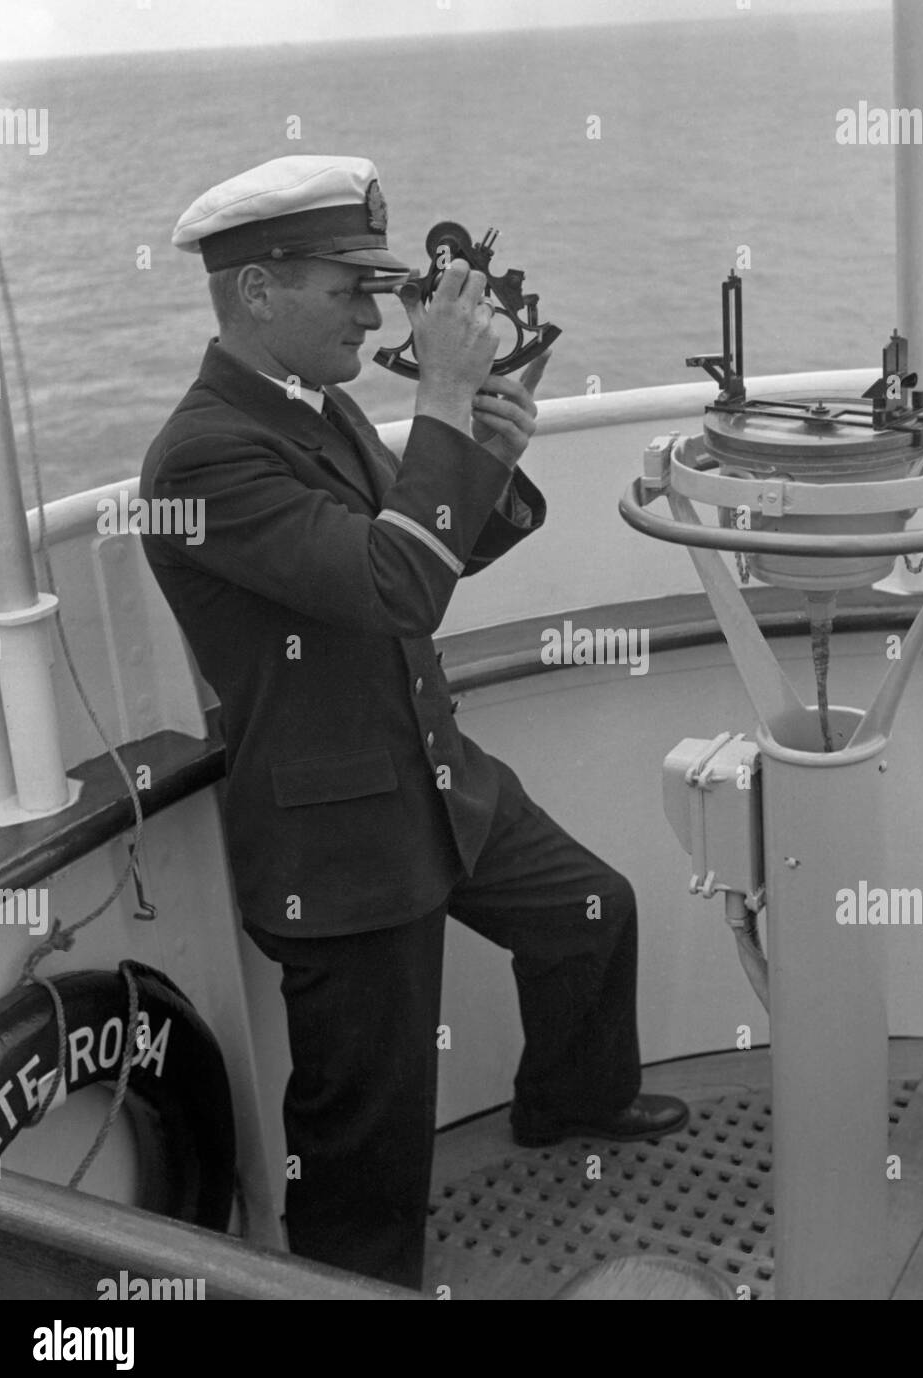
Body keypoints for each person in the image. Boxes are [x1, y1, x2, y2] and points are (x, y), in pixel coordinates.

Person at [139, 154, 687, 1291]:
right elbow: (400, 583)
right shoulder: (200, 455)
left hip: (432, 775)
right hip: (339, 841)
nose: (376, 307)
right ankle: (352, 1281)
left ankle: (567, 1101)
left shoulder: (313, 403)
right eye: (348, 284)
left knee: (591, 912)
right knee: (367, 1141)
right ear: (254, 292)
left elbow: (411, 556)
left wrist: (486, 451)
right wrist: (438, 402)